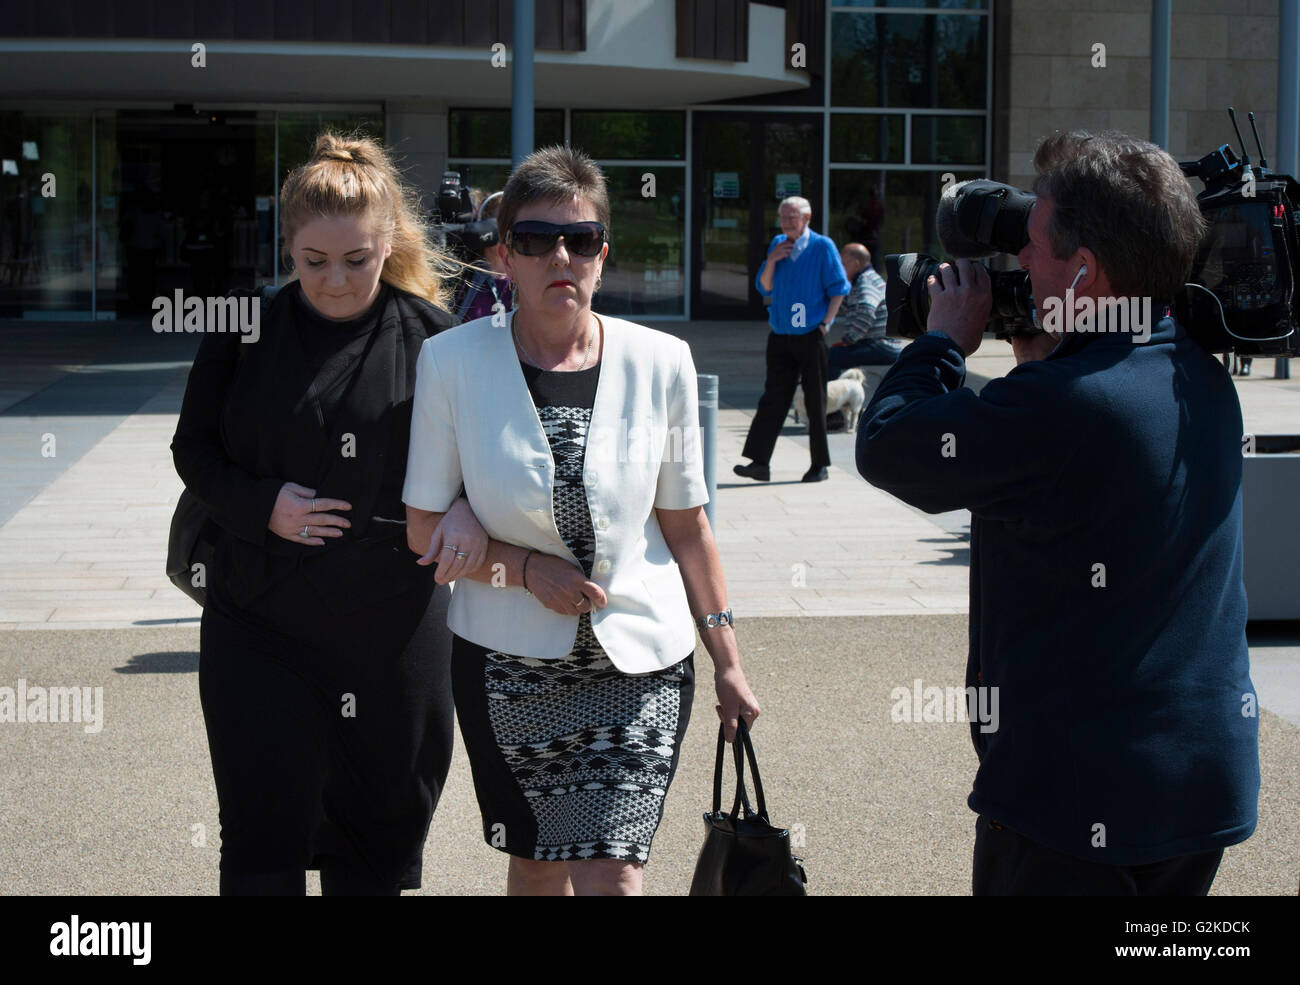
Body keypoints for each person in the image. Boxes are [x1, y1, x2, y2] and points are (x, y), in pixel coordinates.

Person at [856, 130, 1259, 895]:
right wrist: (1047, 358)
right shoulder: (1195, 372)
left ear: (1085, 271)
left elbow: (888, 444)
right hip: (1195, 788)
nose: (1019, 266)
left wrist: (942, 340)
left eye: (1033, 246)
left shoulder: (1066, 405)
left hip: (1079, 802)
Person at [403, 145, 760, 896]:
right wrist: (524, 568)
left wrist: (727, 657)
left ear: (604, 253)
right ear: (504, 254)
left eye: (581, 239)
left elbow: (689, 525)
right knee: (536, 863)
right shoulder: (452, 362)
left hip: (639, 657)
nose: (559, 256)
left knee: (614, 870)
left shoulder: (661, 361)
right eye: (534, 240)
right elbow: (422, 528)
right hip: (508, 665)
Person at [171, 133, 488, 895]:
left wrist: (472, 511)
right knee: (260, 845)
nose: (337, 281)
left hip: (393, 633)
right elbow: (194, 450)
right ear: (287, 248)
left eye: (358, 259)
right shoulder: (242, 330)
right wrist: (262, 503)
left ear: (388, 244)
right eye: (314, 261)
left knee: (375, 852)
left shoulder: (440, 343)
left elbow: (491, 465)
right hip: (258, 620)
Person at [734, 196, 851, 483]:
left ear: (807, 218)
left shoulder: (822, 247)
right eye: (783, 217)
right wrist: (773, 260)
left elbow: (839, 288)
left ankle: (819, 466)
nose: (786, 222)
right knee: (773, 398)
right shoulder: (777, 244)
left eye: (792, 217)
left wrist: (825, 324)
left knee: (815, 401)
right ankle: (759, 463)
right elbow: (764, 285)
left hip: (810, 336)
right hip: (781, 335)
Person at [827, 243, 901, 379]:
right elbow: (846, 306)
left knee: (832, 356)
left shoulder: (865, 282)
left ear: (855, 263)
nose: (839, 269)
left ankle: (830, 398)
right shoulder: (865, 280)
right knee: (837, 353)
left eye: (842, 264)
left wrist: (849, 339)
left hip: (881, 345)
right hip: (880, 343)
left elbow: (866, 312)